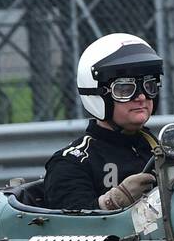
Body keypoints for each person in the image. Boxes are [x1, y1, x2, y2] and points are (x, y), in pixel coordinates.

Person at [36, 33, 163, 211]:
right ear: (98, 95)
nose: (141, 97)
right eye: (125, 89)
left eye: (148, 86)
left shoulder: (155, 146)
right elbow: (66, 224)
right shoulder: (72, 162)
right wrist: (113, 201)